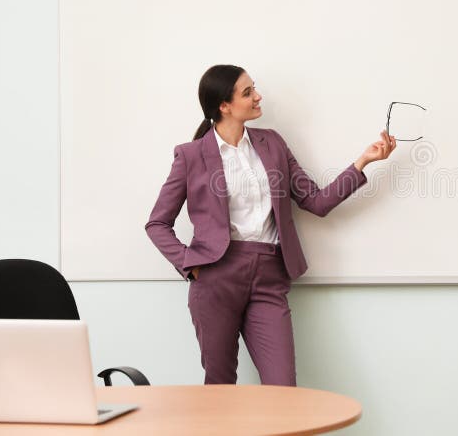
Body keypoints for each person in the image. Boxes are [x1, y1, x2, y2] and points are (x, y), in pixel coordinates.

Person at [145, 64, 396, 385]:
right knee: (220, 386)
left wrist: (363, 162)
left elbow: (315, 202)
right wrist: (190, 265)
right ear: (224, 105)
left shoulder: (272, 144)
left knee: (283, 388)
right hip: (215, 278)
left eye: (254, 88)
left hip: (269, 275)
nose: (257, 96)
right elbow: (157, 223)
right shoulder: (191, 155)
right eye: (247, 92)